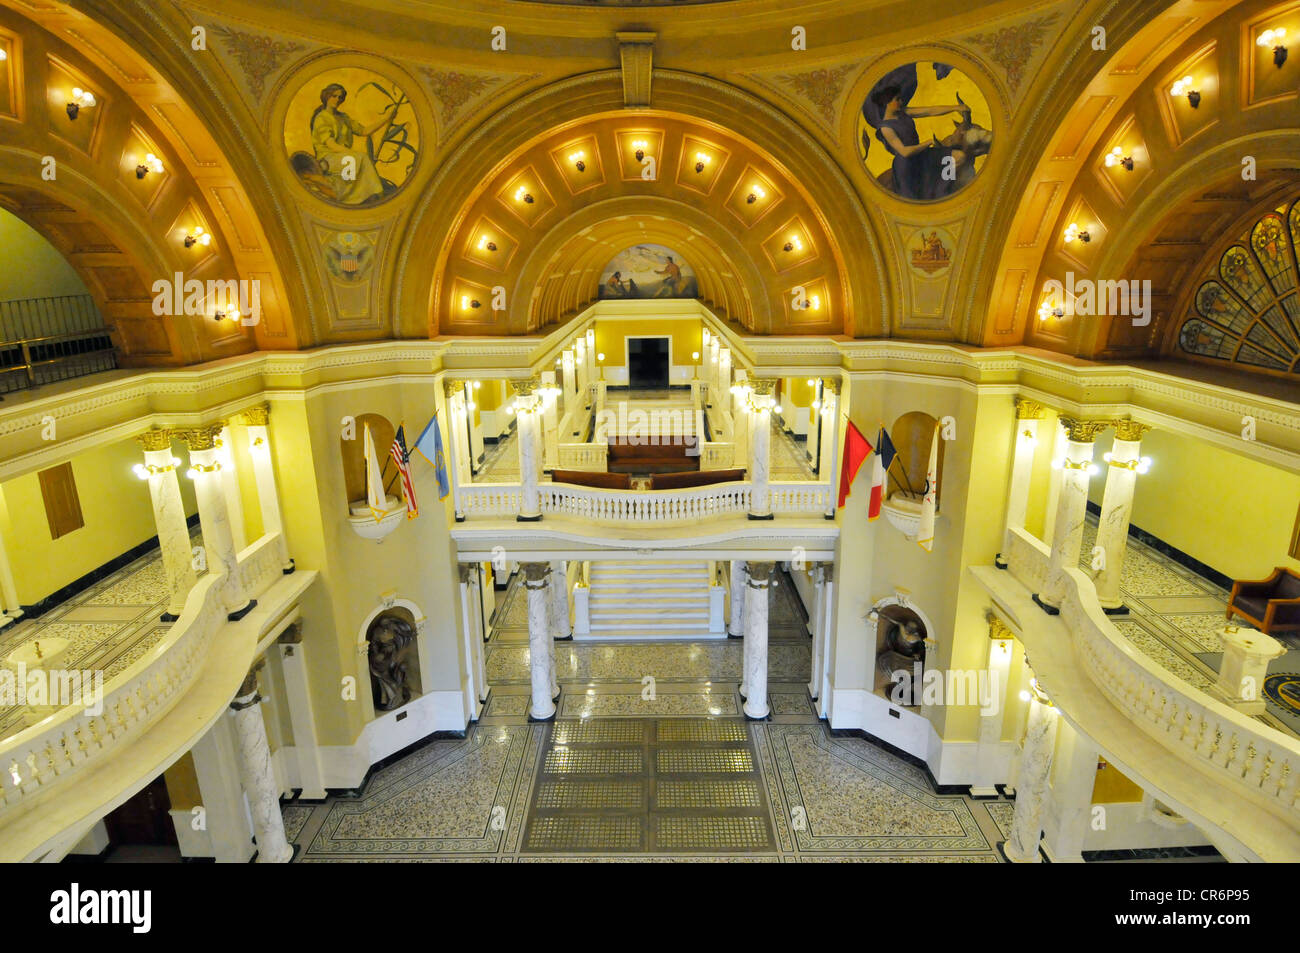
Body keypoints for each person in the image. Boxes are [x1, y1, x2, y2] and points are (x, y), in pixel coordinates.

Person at [868, 83, 971, 201]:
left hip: (922, 155)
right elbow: (904, 152)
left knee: (959, 157)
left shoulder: (904, 113)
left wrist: (955, 108)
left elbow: (930, 111)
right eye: (897, 99)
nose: (901, 102)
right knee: (912, 200)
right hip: (906, 165)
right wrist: (928, 142)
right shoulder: (885, 128)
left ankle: (942, 191)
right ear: (887, 103)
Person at [310, 83, 398, 205]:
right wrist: (352, 153)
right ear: (326, 97)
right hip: (328, 158)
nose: (337, 100)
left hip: (344, 156)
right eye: (334, 96)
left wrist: (387, 118)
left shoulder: (343, 117)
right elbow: (331, 145)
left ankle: (374, 194)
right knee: (355, 159)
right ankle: (350, 198)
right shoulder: (321, 118)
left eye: (340, 97)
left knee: (359, 158)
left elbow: (364, 131)